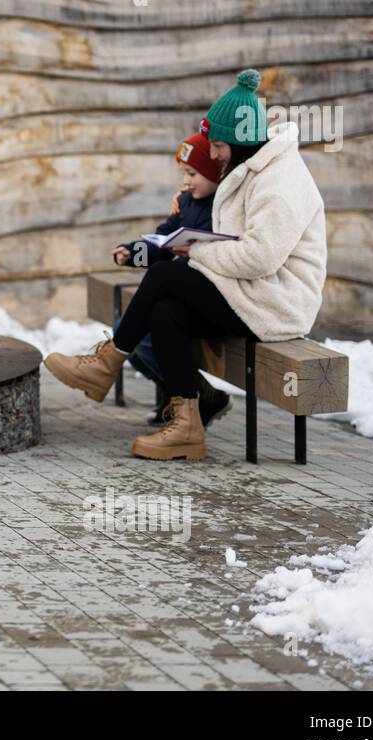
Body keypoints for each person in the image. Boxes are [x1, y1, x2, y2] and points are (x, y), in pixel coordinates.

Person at [45, 69, 327, 461]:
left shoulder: (280, 184)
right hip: (249, 292)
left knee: (165, 275)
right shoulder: (250, 167)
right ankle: (186, 427)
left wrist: (194, 251)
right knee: (165, 311)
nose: (212, 155)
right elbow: (231, 235)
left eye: (217, 146)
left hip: (276, 305)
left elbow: (260, 257)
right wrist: (190, 213)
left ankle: (107, 363)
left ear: (240, 142)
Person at [111, 126, 229, 426]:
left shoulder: (221, 209)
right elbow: (163, 240)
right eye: (184, 174)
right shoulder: (187, 203)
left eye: (192, 173)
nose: (186, 181)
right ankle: (187, 397)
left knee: (144, 337)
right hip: (176, 289)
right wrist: (132, 253)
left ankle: (196, 397)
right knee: (126, 331)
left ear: (214, 172)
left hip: (202, 298)